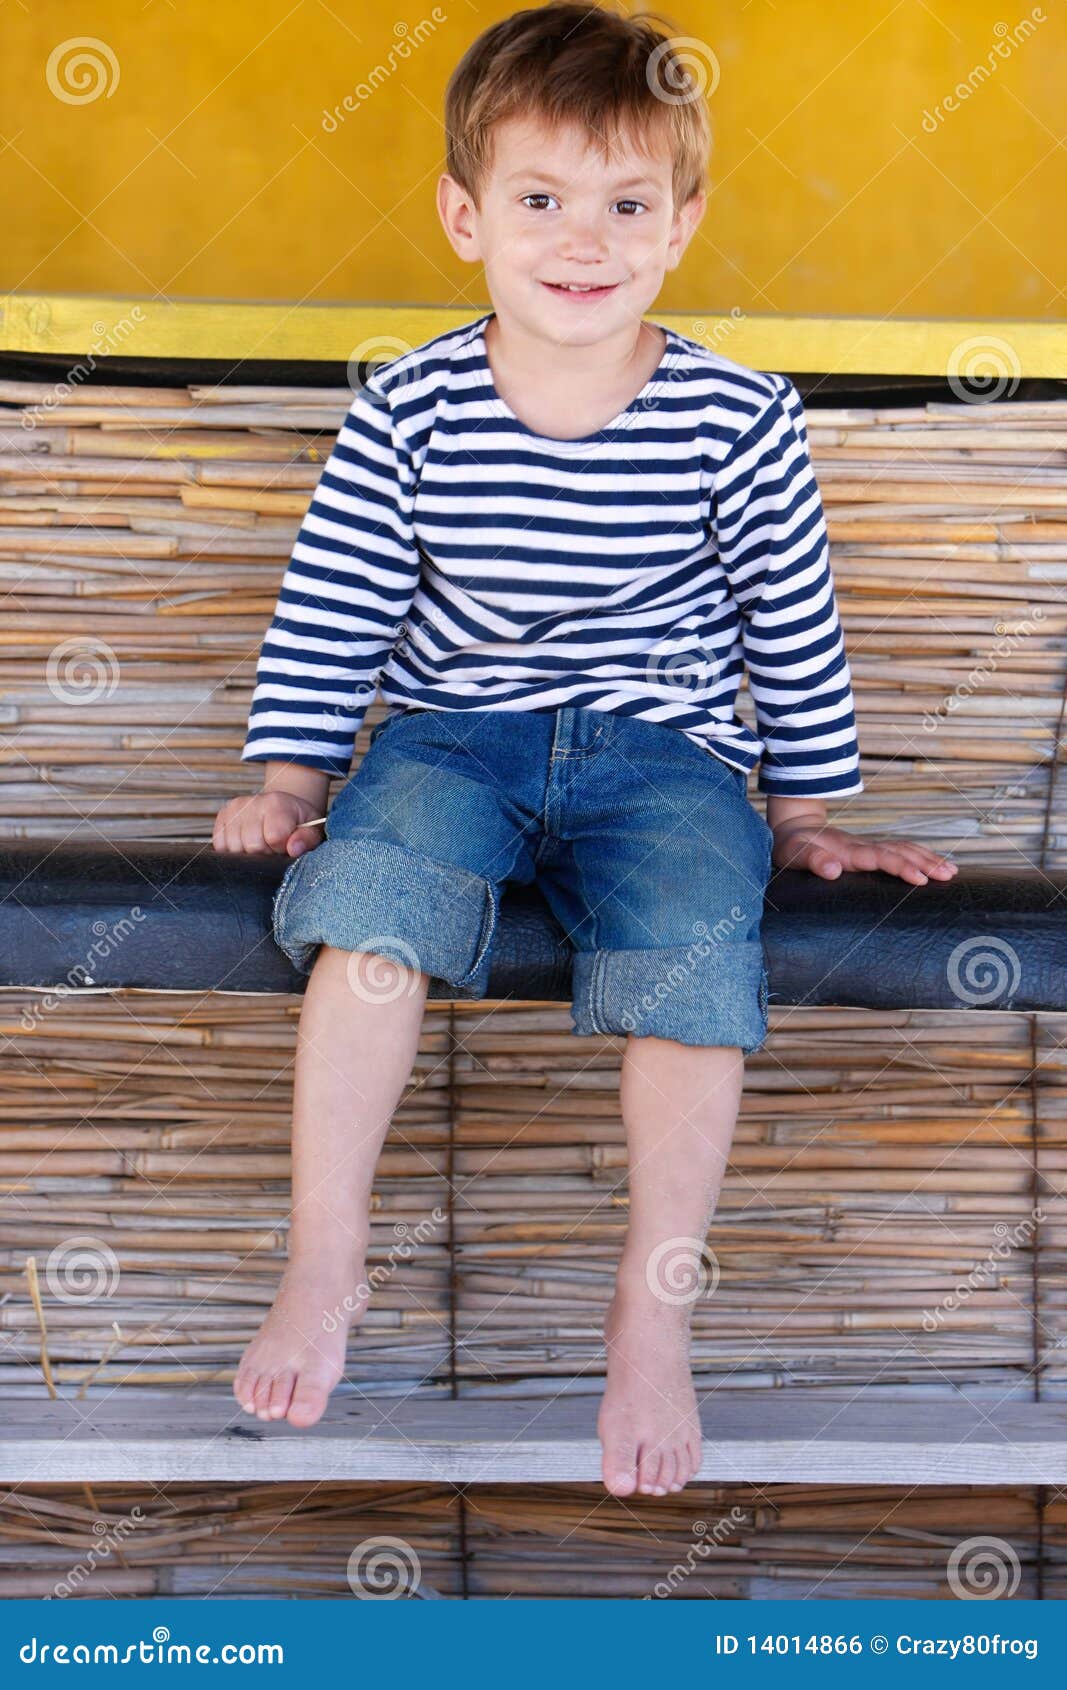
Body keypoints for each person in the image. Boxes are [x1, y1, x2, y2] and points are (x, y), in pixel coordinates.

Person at [213, 1, 957, 1497]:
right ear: (464, 215)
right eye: (540, 200)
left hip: (664, 759)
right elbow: (334, 607)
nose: (583, 239)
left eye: (627, 204)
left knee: (698, 940)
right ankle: (326, 1263)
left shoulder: (738, 420)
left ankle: (650, 1317)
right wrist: (293, 783)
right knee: (374, 907)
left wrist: (808, 809)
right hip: (455, 742)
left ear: (682, 223)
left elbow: (788, 623)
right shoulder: (407, 415)